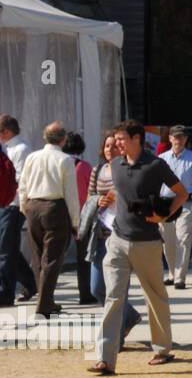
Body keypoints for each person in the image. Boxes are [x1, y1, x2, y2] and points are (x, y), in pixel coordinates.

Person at [88, 120, 188, 374]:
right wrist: (106, 201)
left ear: (136, 139)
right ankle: (105, 358)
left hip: (147, 242)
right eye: (115, 139)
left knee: (155, 297)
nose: (116, 144)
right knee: (113, 297)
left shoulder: (156, 165)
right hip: (117, 241)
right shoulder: (115, 165)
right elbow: (119, 192)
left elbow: (182, 193)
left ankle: (163, 349)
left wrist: (164, 216)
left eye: (121, 139)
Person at [18, 122, 82, 319]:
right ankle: (45, 303)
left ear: (45, 138)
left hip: (33, 206)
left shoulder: (32, 157)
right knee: (52, 258)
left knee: (38, 257)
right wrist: (75, 221)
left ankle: (45, 300)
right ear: (63, 140)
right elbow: (71, 194)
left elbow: (23, 185)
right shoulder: (65, 160)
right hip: (54, 207)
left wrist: (24, 208)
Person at [86, 132, 142, 345]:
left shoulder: (129, 171)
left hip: (122, 235)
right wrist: (98, 200)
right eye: (107, 145)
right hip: (100, 235)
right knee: (97, 288)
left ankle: (115, 341)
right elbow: (89, 197)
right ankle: (129, 316)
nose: (110, 149)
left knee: (118, 288)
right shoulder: (97, 170)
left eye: (114, 146)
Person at [158, 125, 192, 290]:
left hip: (186, 204)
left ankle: (180, 277)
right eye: (175, 137)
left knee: (183, 240)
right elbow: (155, 183)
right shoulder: (161, 158)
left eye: (181, 137)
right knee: (167, 241)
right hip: (165, 204)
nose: (178, 140)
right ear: (170, 138)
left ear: (186, 139)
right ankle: (172, 273)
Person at [0, 113, 37, 304]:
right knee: (10, 247)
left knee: (6, 249)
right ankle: (30, 283)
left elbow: (22, 179)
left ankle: (6, 293)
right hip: (6, 204)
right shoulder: (8, 148)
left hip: (14, 205)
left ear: (5, 131)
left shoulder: (21, 149)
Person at [62, 132, 96, 304]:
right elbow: (92, 194)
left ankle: (47, 295)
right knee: (84, 257)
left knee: (54, 257)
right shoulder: (84, 166)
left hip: (61, 215)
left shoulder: (58, 164)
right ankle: (85, 294)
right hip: (82, 216)